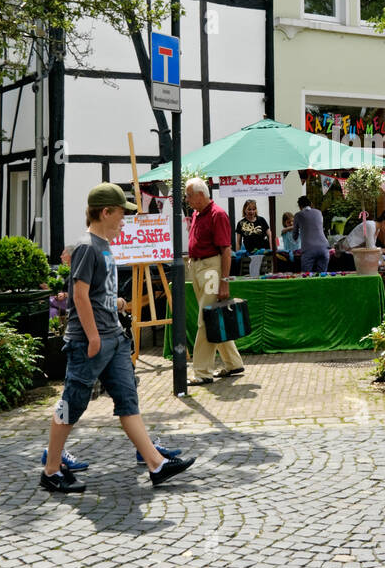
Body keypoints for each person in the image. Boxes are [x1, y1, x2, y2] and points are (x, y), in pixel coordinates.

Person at [39, 183, 194, 493]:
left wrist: (118, 306)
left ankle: (156, 464)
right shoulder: (87, 246)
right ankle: (51, 470)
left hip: (115, 340)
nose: (125, 219)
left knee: (128, 401)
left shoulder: (105, 247)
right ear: (105, 212)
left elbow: (97, 296)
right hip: (90, 343)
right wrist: (94, 338)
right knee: (71, 404)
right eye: (122, 213)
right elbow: (79, 296)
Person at [186, 178, 244, 385]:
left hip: (211, 268)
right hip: (198, 267)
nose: (187, 199)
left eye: (189, 195)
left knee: (205, 319)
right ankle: (233, 362)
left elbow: (226, 251)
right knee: (213, 317)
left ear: (201, 194)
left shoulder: (217, 214)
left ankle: (202, 371)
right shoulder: (197, 214)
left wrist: (224, 281)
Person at [294, 195, 330, 274]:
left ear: (300, 206)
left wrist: (295, 238)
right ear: (310, 204)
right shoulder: (318, 212)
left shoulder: (298, 215)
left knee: (306, 276)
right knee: (321, 276)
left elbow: (295, 235)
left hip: (308, 249)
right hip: (324, 247)